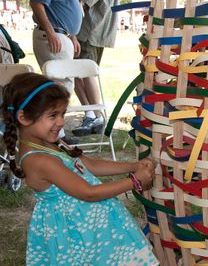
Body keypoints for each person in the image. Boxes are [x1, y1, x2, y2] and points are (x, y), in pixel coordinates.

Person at [1, 72, 159, 265]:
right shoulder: (39, 160)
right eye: (53, 115)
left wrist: (133, 166)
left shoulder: (50, 143)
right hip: (75, 233)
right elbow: (89, 193)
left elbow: (89, 164)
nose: (60, 122)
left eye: (62, 114)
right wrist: (134, 181)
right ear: (24, 118)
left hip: (89, 227)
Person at [29, 0, 83, 144]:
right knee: (59, 88)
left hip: (62, 36)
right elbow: (37, 2)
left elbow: (63, 6)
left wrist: (72, 35)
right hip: (53, 37)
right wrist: (51, 31)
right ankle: (55, 136)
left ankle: (55, 135)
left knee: (63, 86)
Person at [72, 0, 120, 136]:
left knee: (85, 73)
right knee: (76, 74)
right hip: (94, 34)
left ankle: (96, 116)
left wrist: (71, 31)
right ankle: (91, 113)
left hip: (89, 33)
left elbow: (81, 4)